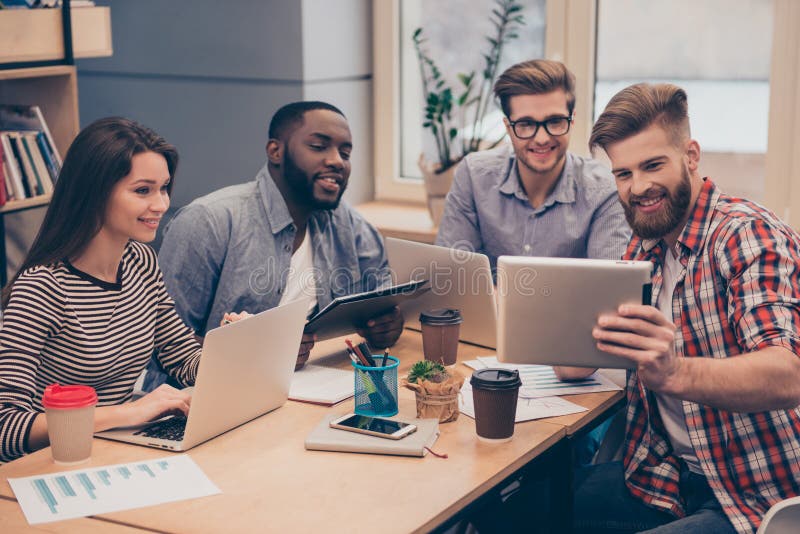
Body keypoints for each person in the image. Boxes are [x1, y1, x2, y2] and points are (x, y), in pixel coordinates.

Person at [573, 83, 800, 533]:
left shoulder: (745, 236)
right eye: (623, 174)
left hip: (760, 493)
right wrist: (575, 353)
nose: (638, 188)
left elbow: (788, 373)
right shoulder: (644, 247)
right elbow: (631, 353)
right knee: (527, 501)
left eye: (653, 165)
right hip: (667, 477)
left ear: (691, 156)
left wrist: (675, 373)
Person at [0, 117, 244, 463]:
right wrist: (131, 412)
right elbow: (5, 428)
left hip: (113, 450)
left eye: (164, 188)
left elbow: (182, 358)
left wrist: (238, 348)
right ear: (95, 193)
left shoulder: (141, 261)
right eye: (143, 190)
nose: (161, 204)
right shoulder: (42, 288)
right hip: (52, 464)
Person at [158, 101, 403, 370]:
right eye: (319, 146)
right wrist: (259, 349)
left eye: (345, 153)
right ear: (276, 151)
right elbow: (162, 342)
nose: (337, 161)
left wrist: (385, 326)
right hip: (215, 393)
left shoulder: (350, 225)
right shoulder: (209, 221)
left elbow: (380, 300)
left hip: (318, 383)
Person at [436, 59, 631, 272]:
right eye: (526, 124)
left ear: (572, 121)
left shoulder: (605, 191)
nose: (541, 138)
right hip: (484, 306)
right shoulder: (473, 175)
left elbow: (608, 288)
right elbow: (453, 275)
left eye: (555, 121)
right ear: (508, 128)